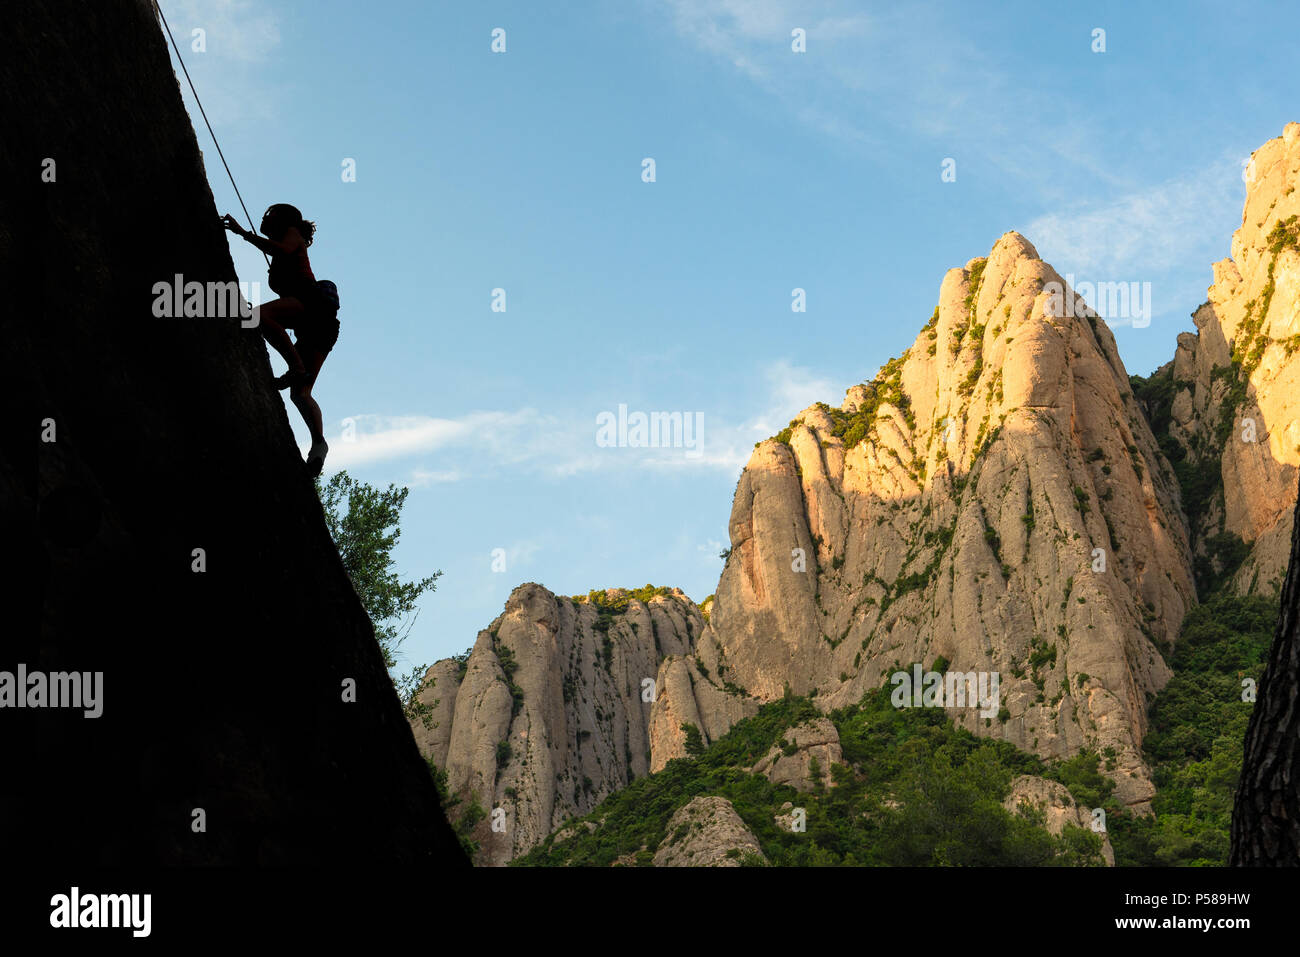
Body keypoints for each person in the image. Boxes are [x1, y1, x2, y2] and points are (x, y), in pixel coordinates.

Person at [222, 204, 338, 475]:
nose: (266, 218)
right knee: (300, 393)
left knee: (259, 316)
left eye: (270, 215)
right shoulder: (288, 238)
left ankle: (295, 367)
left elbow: (282, 250)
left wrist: (242, 233)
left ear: (283, 220)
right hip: (320, 325)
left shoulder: (292, 233)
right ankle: (319, 444)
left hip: (311, 308)